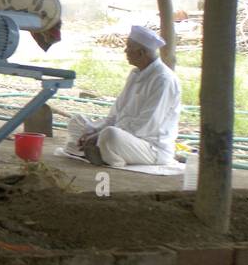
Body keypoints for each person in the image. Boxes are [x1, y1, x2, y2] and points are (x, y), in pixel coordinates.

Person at [67, 25, 181, 168]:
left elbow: (145, 126)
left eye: (128, 47)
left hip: (150, 146)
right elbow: (115, 115)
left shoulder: (163, 80)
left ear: (141, 53)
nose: (125, 51)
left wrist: (99, 135)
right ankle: (98, 151)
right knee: (76, 122)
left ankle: (106, 155)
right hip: (123, 136)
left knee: (110, 136)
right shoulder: (135, 74)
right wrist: (94, 131)